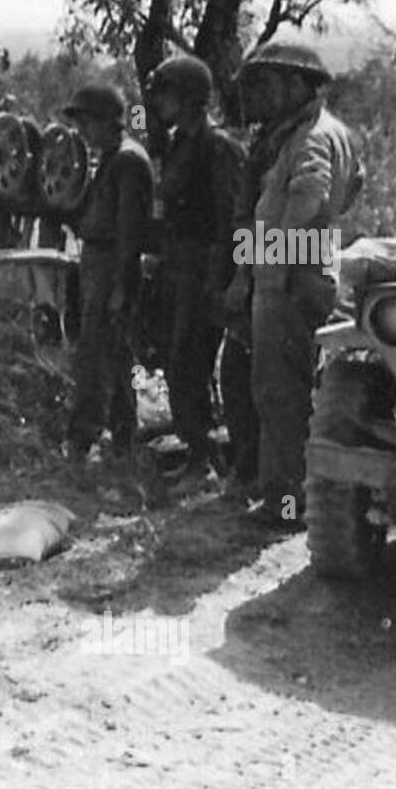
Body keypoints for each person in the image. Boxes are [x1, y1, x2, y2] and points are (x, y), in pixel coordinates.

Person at [225, 42, 365, 529]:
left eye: (269, 83)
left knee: (279, 392)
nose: (261, 93)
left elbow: (308, 201)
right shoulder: (325, 133)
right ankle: (293, 495)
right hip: (305, 270)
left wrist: (267, 263)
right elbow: (350, 191)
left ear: (295, 84)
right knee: (291, 388)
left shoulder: (308, 138)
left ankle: (286, 504)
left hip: (288, 279)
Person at [144, 55, 247, 481]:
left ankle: (206, 456)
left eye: (167, 94)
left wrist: (219, 277)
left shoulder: (215, 146)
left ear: (189, 98)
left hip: (203, 268)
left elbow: (229, 218)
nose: (160, 102)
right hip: (176, 265)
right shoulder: (179, 144)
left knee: (190, 359)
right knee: (174, 357)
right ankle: (198, 448)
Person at [63, 83, 155, 462]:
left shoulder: (128, 162)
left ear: (107, 122)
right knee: (114, 361)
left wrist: (120, 286)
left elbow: (129, 234)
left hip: (111, 268)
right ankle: (121, 443)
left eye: (87, 122)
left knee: (96, 359)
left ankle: (85, 441)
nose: (82, 131)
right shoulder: (113, 159)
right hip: (99, 265)